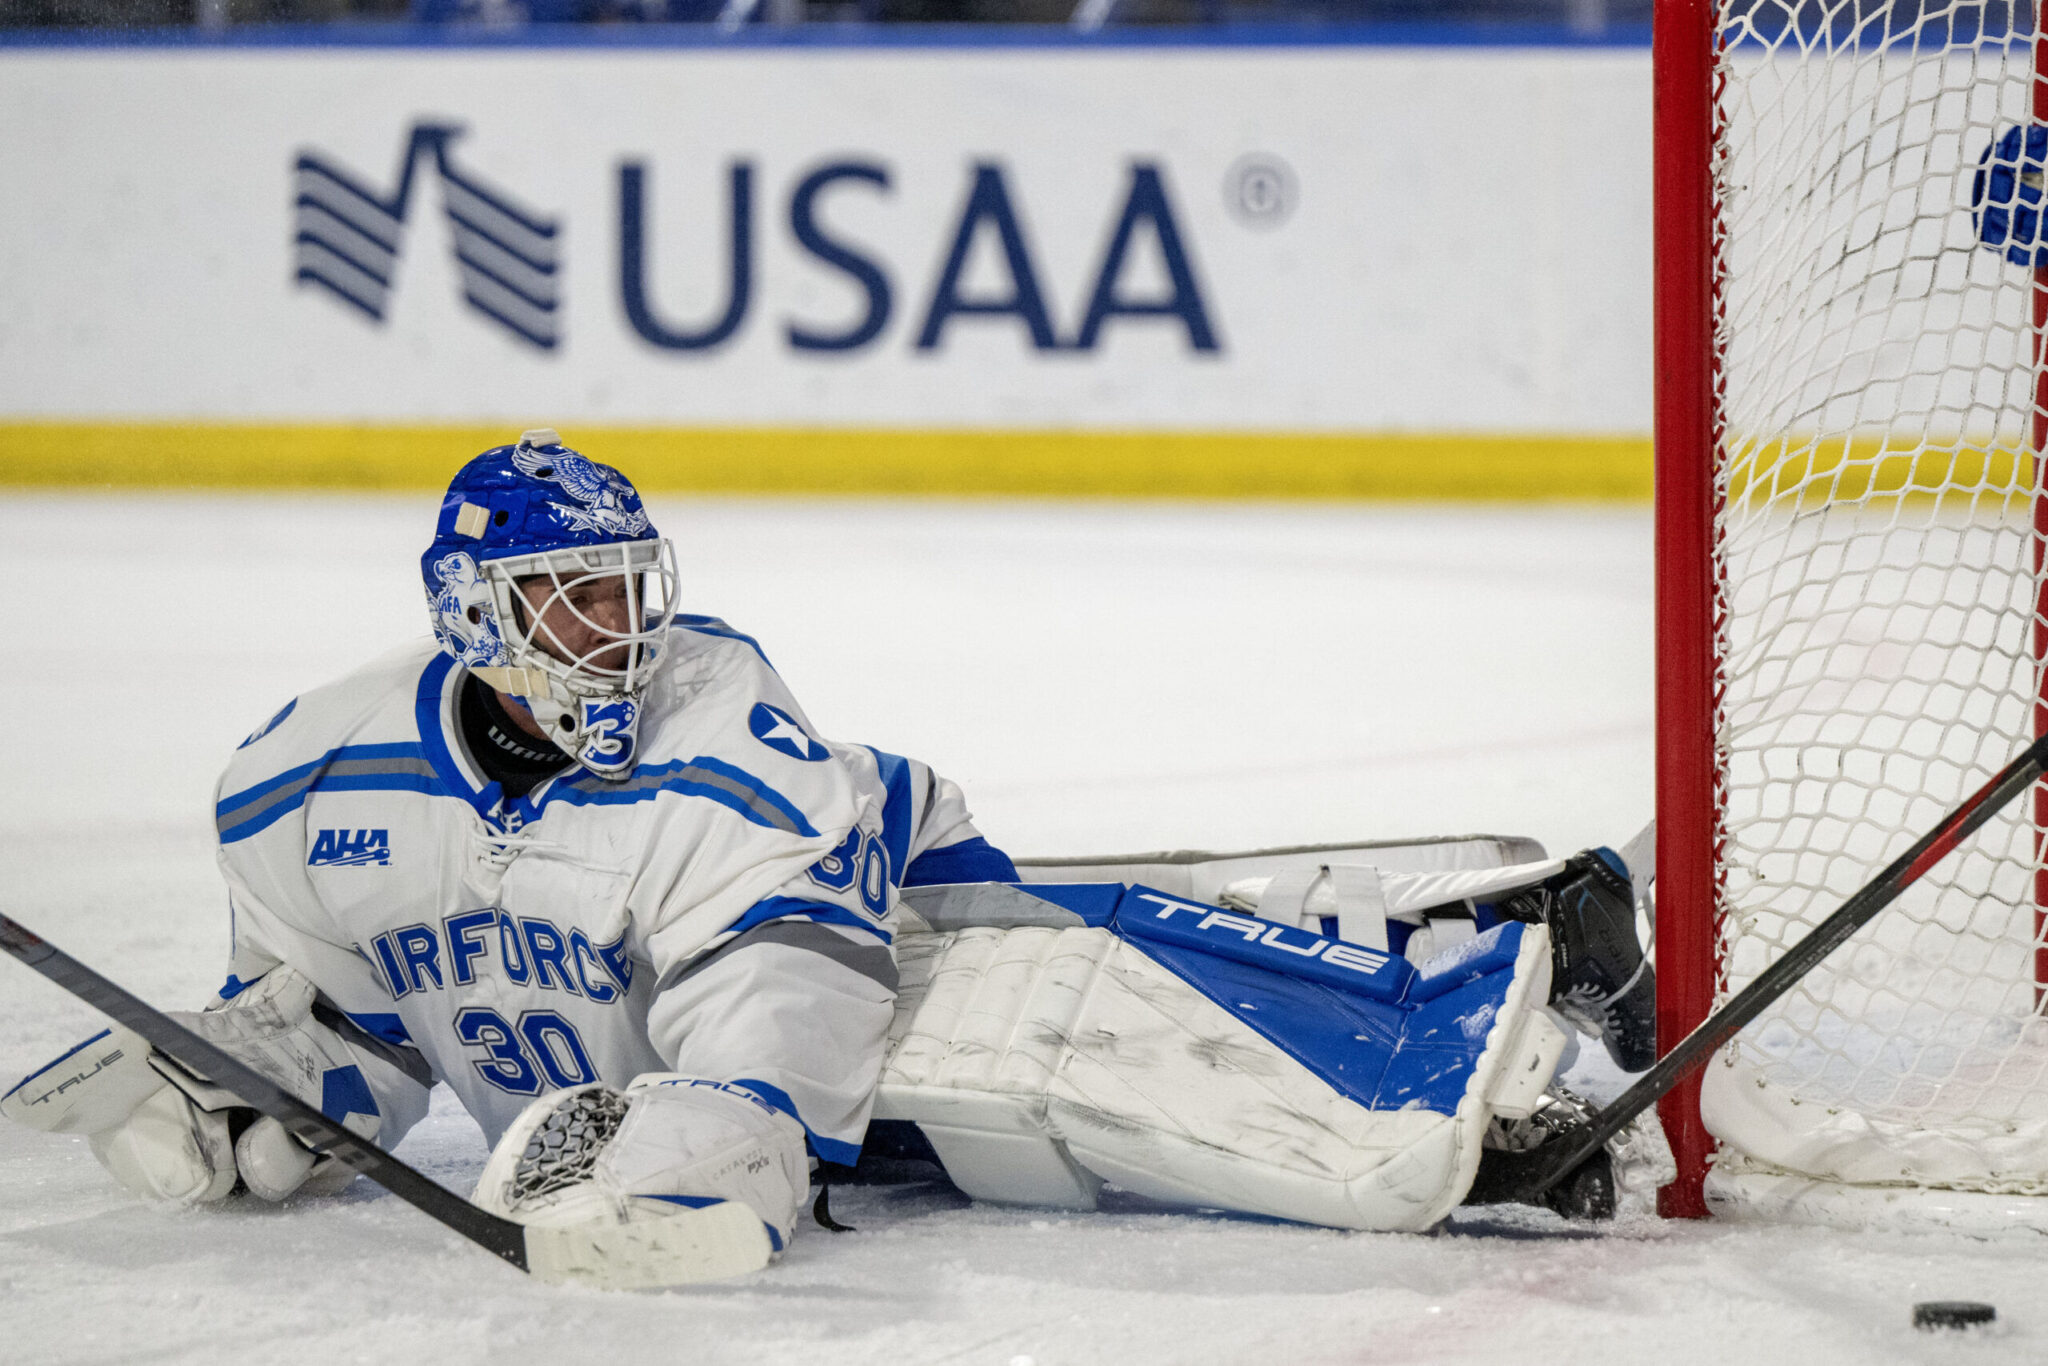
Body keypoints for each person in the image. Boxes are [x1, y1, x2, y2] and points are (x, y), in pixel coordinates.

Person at [2, 431, 1661, 1286]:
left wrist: (727, 1133)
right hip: (664, 1031)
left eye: (630, 588)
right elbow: (369, 1040)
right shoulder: (307, 780)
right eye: (575, 601)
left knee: (1050, 1052)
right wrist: (269, 1082)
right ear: (469, 619)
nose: (621, 633)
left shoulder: (718, 728)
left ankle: (1464, 1012)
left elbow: (785, 1023)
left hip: (876, 887)